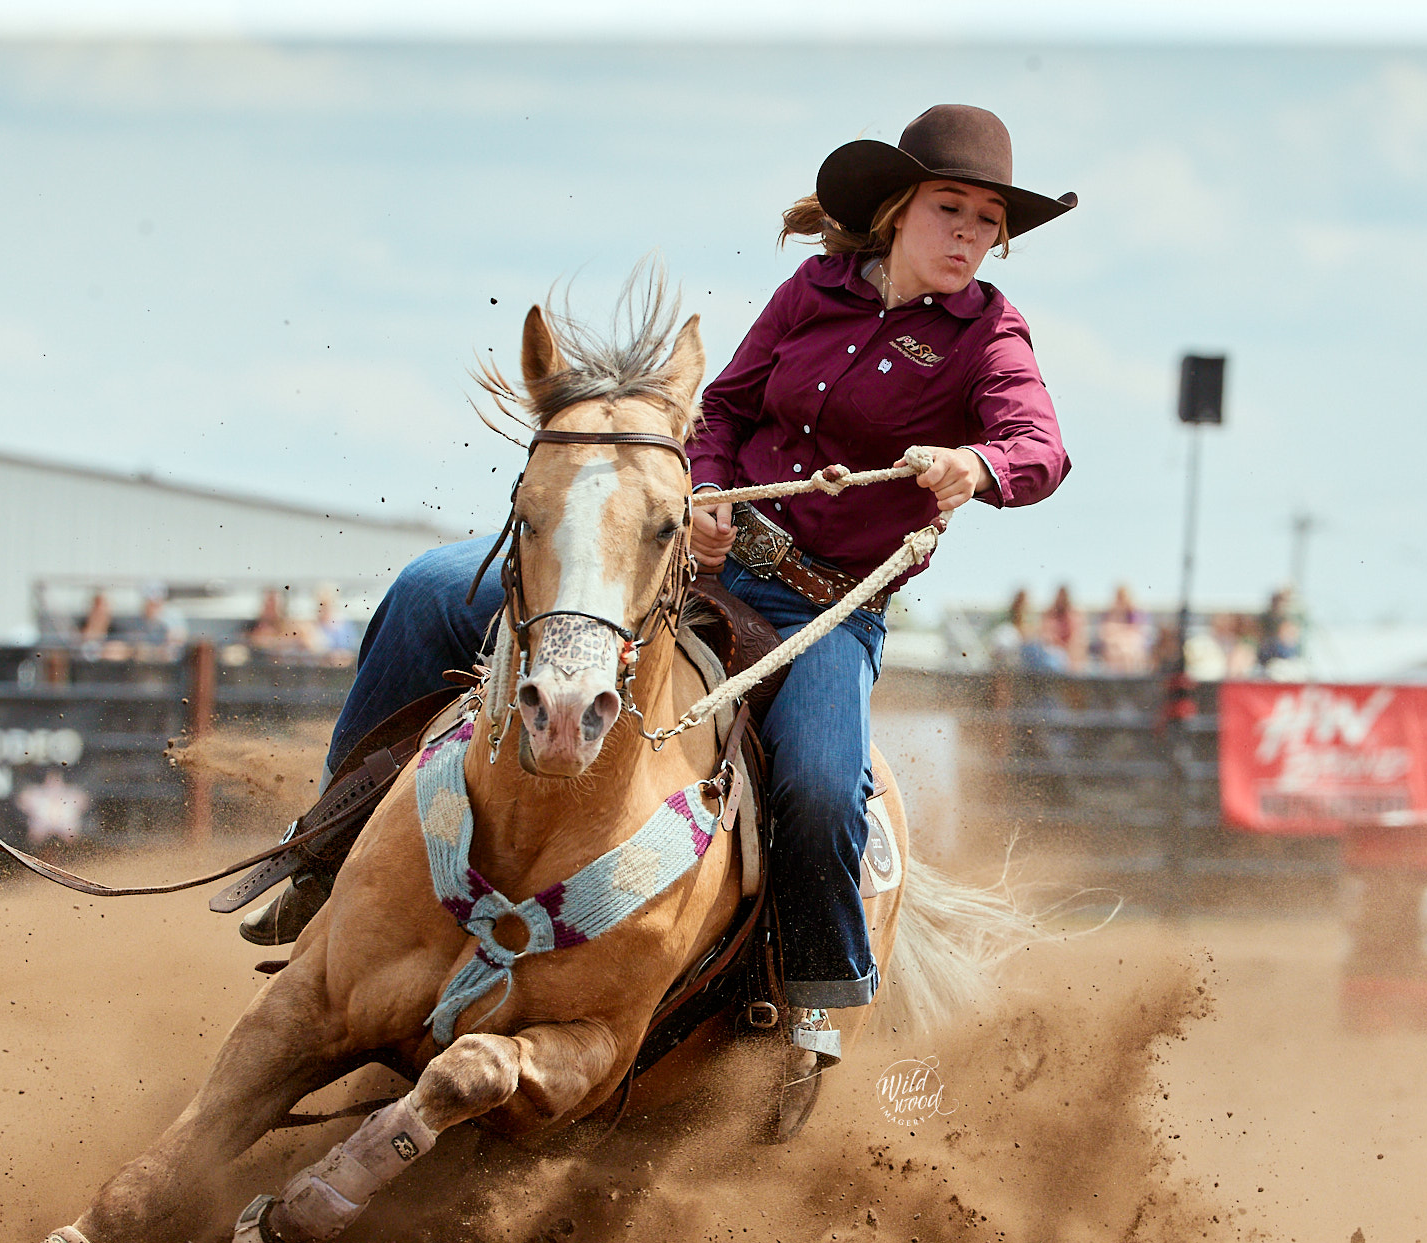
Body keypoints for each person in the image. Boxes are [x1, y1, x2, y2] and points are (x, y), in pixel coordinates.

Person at [243, 104, 1075, 1059]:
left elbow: (1039, 447)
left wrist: (982, 467)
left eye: (988, 220)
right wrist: (708, 489)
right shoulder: (813, 290)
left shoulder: (991, 336)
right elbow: (721, 405)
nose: (969, 233)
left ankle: (804, 993)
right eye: (950, 207)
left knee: (817, 781)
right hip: (689, 565)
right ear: (896, 212)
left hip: (818, 607)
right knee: (432, 588)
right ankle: (324, 852)